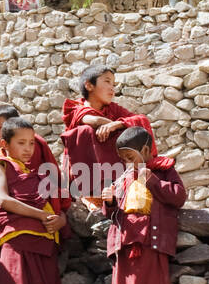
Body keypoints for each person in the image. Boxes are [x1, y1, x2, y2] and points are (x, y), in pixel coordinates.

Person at [0, 117, 67, 284]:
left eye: (31, 143)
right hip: (17, 241)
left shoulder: (38, 174)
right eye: (21, 143)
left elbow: (57, 208)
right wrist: (42, 215)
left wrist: (60, 220)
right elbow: (4, 200)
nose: (28, 148)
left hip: (45, 243)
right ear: (5, 144)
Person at [102, 126, 186, 284]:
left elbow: (179, 196)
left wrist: (153, 181)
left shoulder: (163, 170)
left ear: (146, 151)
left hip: (149, 240)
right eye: (123, 160)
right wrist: (109, 202)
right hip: (125, 240)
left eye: (130, 158)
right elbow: (112, 213)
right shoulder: (125, 178)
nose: (127, 164)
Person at [61, 64, 157, 206]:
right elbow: (94, 120)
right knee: (83, 131)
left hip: (118, 174)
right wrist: (116, 125)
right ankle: (92, 193)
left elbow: (141, 121)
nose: (112, 88)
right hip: (85, 173)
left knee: (130, 130)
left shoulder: (113, 109)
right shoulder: (75, 108)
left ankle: (124, 184)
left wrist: (116, 125)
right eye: (107, 81)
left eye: (113, 83)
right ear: (89, 85)